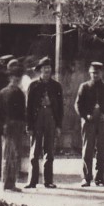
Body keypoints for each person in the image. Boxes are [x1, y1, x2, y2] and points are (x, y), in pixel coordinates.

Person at [76, 62, 104, 187]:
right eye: (93, 73)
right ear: (89, 73)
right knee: (87, 149)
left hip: (103, 122)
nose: (95, 75)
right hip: (89, 122)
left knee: (102, 150)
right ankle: (86, 178)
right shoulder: (84, 87)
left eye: (97, 73)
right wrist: (85, 116)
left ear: (101, 73)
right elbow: (78, 105)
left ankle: (100, 178)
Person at [0, 64, 35, 189]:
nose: (16, 79)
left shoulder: (3, 92)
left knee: (8, 155)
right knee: (12, 155)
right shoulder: (18, 93)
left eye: (18, 77)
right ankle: (9, 182)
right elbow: (23, 112)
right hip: (15, 127)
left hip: (7, 127)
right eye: (15, 76)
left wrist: (4, 120)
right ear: (11, 78)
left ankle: (7, 182)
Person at [26, 58, 65, 188]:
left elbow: (60, 107)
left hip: (51, 118)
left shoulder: (56, 86)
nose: (47, 70)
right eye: (44, 68)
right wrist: (29, 125)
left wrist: (59, 125)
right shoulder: (33, 85)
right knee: (35, 150)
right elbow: (28, 107)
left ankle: (48, 181)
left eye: (49, 68)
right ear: (40, 70)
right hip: (37, 119)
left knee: (49, 150)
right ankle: (32, 181)